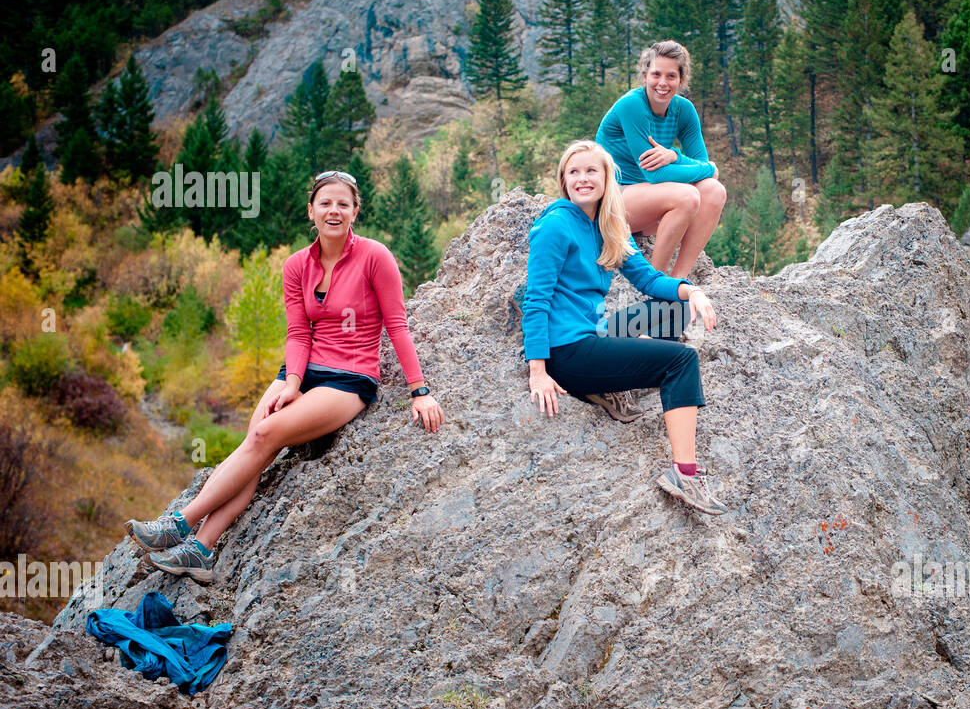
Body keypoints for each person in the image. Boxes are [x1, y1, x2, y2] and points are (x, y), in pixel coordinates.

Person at [125, 170, 446, 582]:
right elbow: (297, 332)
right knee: (254, 441)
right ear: (311, 210)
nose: (334, 210)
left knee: (264, 436)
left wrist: (420, 391)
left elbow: (397, 325)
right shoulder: (296, 265)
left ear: (354, 212)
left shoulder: (375, 256)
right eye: (325, 203)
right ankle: (200, 551)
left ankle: (180, 524)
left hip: (348, 377)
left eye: (343, 204)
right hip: (302, 368)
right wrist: (292, 382)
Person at [523, 140, 727, 516]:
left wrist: (692, 290)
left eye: (591, 171)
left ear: (606, 179)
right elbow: (535, 299)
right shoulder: (555, 226)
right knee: (681, 361)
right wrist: (537, 370)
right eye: (574, 172)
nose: (582, 178)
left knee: (675, 310)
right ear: (563, 181)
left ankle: (609, 385)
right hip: (568, 352)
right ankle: (685, 475)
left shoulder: (609, 225)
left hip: (596, 334)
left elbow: (648, 279)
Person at [594, 39, 726, 279]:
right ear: (645, 75)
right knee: (687, 196)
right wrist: (705, 168)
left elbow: (701, 164)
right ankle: (653, 283)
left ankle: (677, 281)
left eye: (671, 76)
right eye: (656, 74)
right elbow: (656, 174)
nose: (662, 83)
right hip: (611, 200)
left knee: (714, 191)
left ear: (681, 80)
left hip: (647, 202)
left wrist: (674, 155)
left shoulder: (684, 110)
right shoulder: (632, 105)